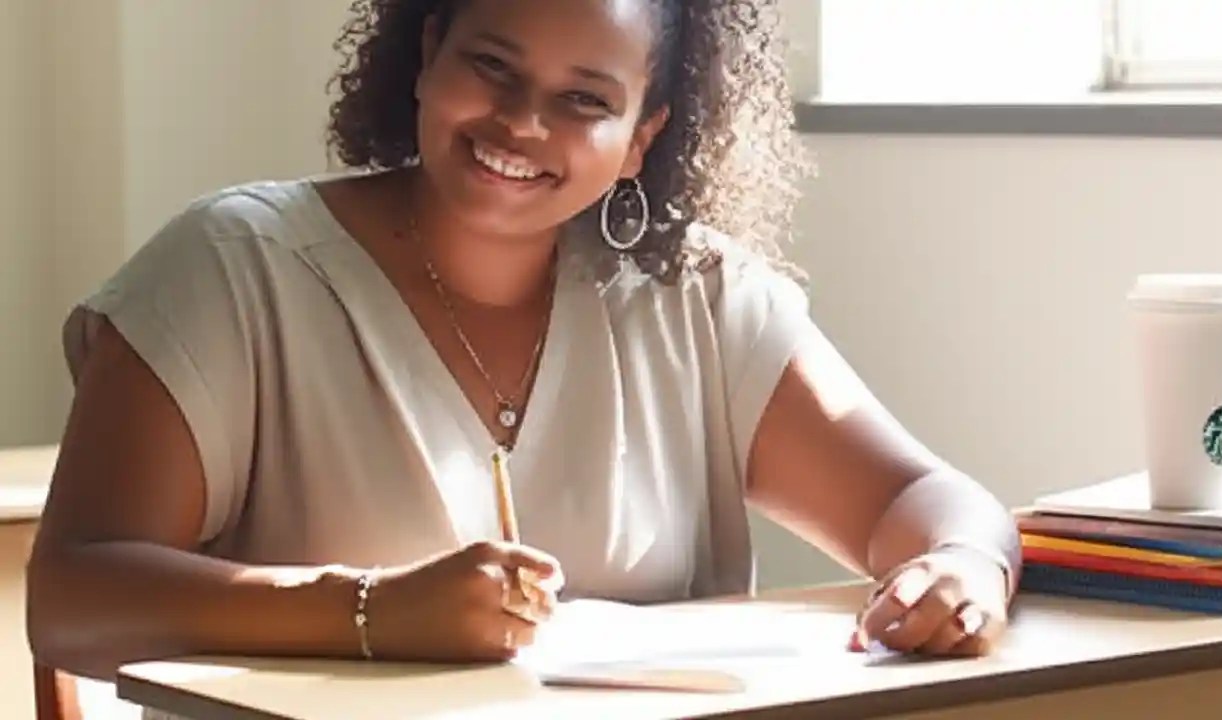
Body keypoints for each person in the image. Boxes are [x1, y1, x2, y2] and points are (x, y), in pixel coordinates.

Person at [27, 0, 1021, 686]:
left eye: (584, 99)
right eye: (489, 67)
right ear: (425, 57)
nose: (519, 122)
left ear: (643, 134)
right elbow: (73, 599)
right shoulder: (230, 267)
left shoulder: (695, 298)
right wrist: (367, 614)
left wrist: (962, 568)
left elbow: (921, 499)